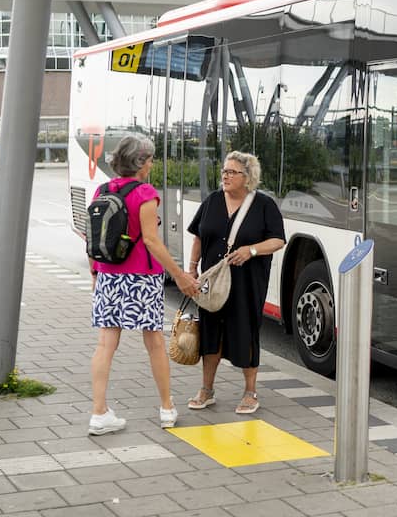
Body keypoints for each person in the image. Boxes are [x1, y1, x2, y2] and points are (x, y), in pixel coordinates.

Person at [88, 136, 199, 435]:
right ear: (140, 163)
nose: (151, 164)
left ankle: (99, 413)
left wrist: (95, 274)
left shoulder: (102, 190)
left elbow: (93, 237)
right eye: (149, 159)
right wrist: (179, 274)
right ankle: (166, 408)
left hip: (108, 276)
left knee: (105, 344)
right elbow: (151, 240)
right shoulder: (145, 193)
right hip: (141, 278)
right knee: (155, 343)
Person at [185, 151, 286, 415]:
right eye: (224, 172)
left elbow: (278, 240)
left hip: (246, 282)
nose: (225, 176)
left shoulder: (264, 205)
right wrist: (192, 269)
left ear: (248, 176)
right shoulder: (212, 201)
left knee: (246, 331)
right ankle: (207, 389)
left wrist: (251, 250)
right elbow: (198, 237)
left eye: (232, 172)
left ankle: (250, 392)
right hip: (212, 280)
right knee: (210, 331)